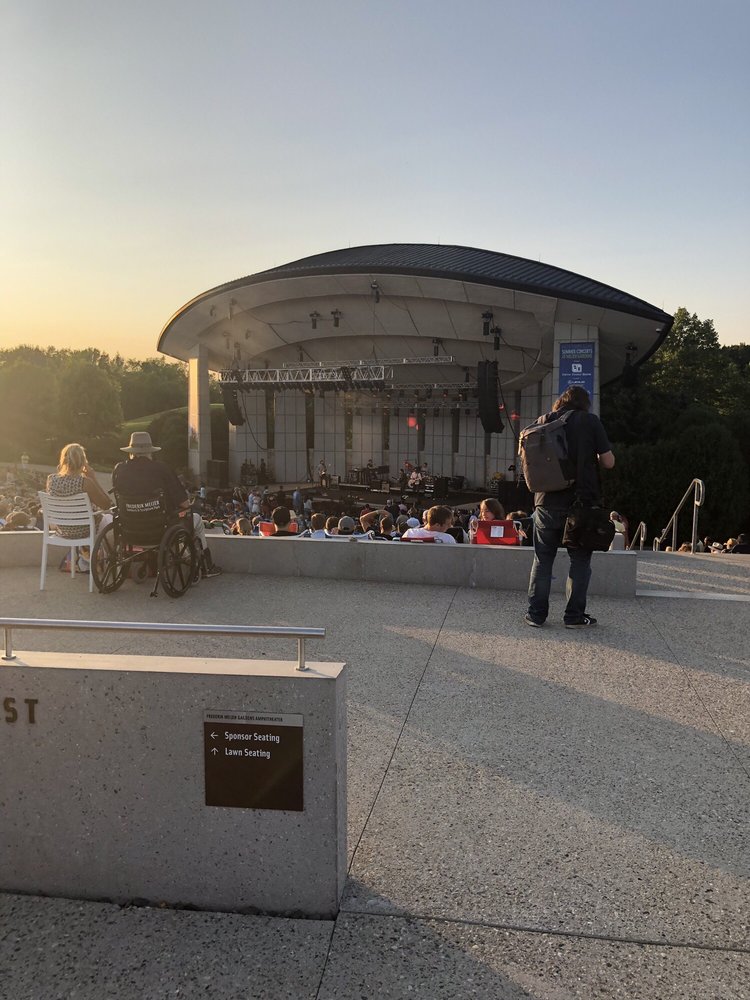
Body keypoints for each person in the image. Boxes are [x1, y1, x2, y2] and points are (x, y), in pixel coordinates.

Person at [525, 386, 614, 629]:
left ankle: (536, 615)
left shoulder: (542, 421)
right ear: (584, 403)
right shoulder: (590, 422)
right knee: (580, 561)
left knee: (542, 560)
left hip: (545, 502)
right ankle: (574, 617)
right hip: (582, 503)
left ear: (560, 402)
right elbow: (608, 462)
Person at [112, 432, 221, 578]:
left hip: (130, 530)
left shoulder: (120, 470)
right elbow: (184, 503)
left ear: (131, 452)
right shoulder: (161, 469)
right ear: (150, 451)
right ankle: (207, 566)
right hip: (159, 530)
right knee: (195, 520)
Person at [46, 443, 113, 540]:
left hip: (63, 529)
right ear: (83, 462)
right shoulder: (85, 482)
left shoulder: (51, 480)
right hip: (85, 530)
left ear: (63, 461)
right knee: (110, 518)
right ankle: (102, 554)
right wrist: (93, 479)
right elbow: (107, 505)